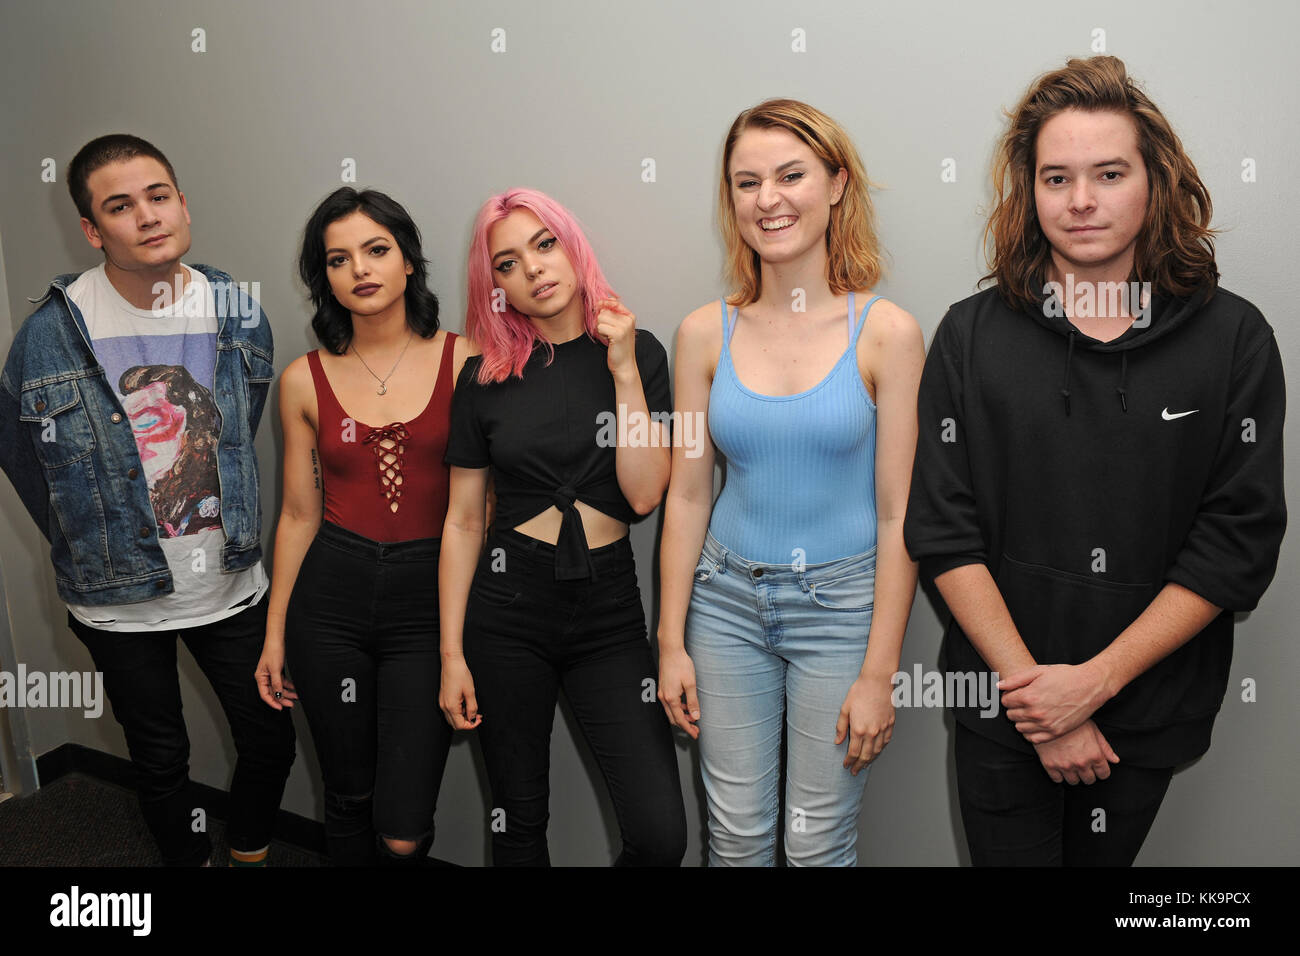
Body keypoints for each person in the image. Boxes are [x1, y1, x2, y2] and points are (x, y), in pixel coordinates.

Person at [904, 55, 1287, 866]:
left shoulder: (1235, 340)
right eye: (1055, 178)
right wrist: (1046, 704)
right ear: (1028, 191)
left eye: (1109, 173)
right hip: (1003, 709)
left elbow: (1237, 543)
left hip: (1147, 712)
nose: (1080, 201)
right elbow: (944, 530)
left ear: (1156, 180)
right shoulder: (969, 337)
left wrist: (1095, 685)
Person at [0, 134, 294, 867]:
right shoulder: (48, 336)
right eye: (121, 206)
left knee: (270, 739)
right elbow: (24, 460)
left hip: (230, 583)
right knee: (161, 760)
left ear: (183, 204)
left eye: (159, 196)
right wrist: (93, 538)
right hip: (116, 599)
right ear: (94, 232)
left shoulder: (236, 309)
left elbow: (236, 431)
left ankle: (249, 852)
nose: (148, 216)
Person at [657, 99, 925, 866]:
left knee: (816, 846)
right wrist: (669, 640)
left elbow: (899, 512)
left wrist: (881, 671)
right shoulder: (704, 332)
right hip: (725, 603)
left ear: (837, 184)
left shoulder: (887, 333)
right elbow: (686, 494)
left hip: (841, 612)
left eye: (790, 175)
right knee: (734, 839)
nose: (767, 199)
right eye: (747, 183)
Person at [438, 187, 686, 866]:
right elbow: (463, 522)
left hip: (607, 610)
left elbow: (643, 496)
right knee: (518, 824)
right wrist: (452, 653)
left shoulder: (644, 354)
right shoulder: (483, 377)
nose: (534, 270)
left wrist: (626, 369)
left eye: (544, 245)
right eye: (508, 264)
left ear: (572, 247)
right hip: (507, 608)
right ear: (496, 287)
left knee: (660, 834)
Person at [255, 187, 470, 866]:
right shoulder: (302, 379)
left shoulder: (467, 362)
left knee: (404, 827)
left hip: (428, 602)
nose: (362, 270)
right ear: (326, 279)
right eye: (339, 259)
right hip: (331, 602)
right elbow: (296, 514)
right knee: (346, 798)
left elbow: (480, 511)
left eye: (377, 250)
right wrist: (274, 633)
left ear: (409, 260)